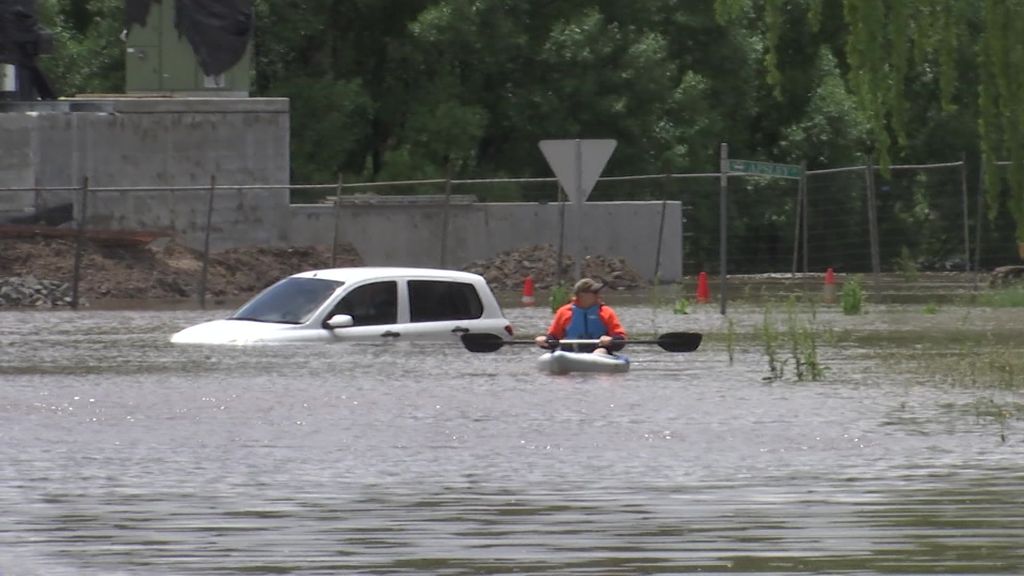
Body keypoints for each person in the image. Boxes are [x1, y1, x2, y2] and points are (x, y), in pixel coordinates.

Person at [534, 277, 627, 355]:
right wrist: (544, 341)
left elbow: (620, 339)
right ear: (581, 295)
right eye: (594, 292)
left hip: (599, 351)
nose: (599, 295)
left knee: (600, 352)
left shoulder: (606, 312)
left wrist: (611, 340)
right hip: (569, 352)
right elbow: (553, 338)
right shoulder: (564, 312)